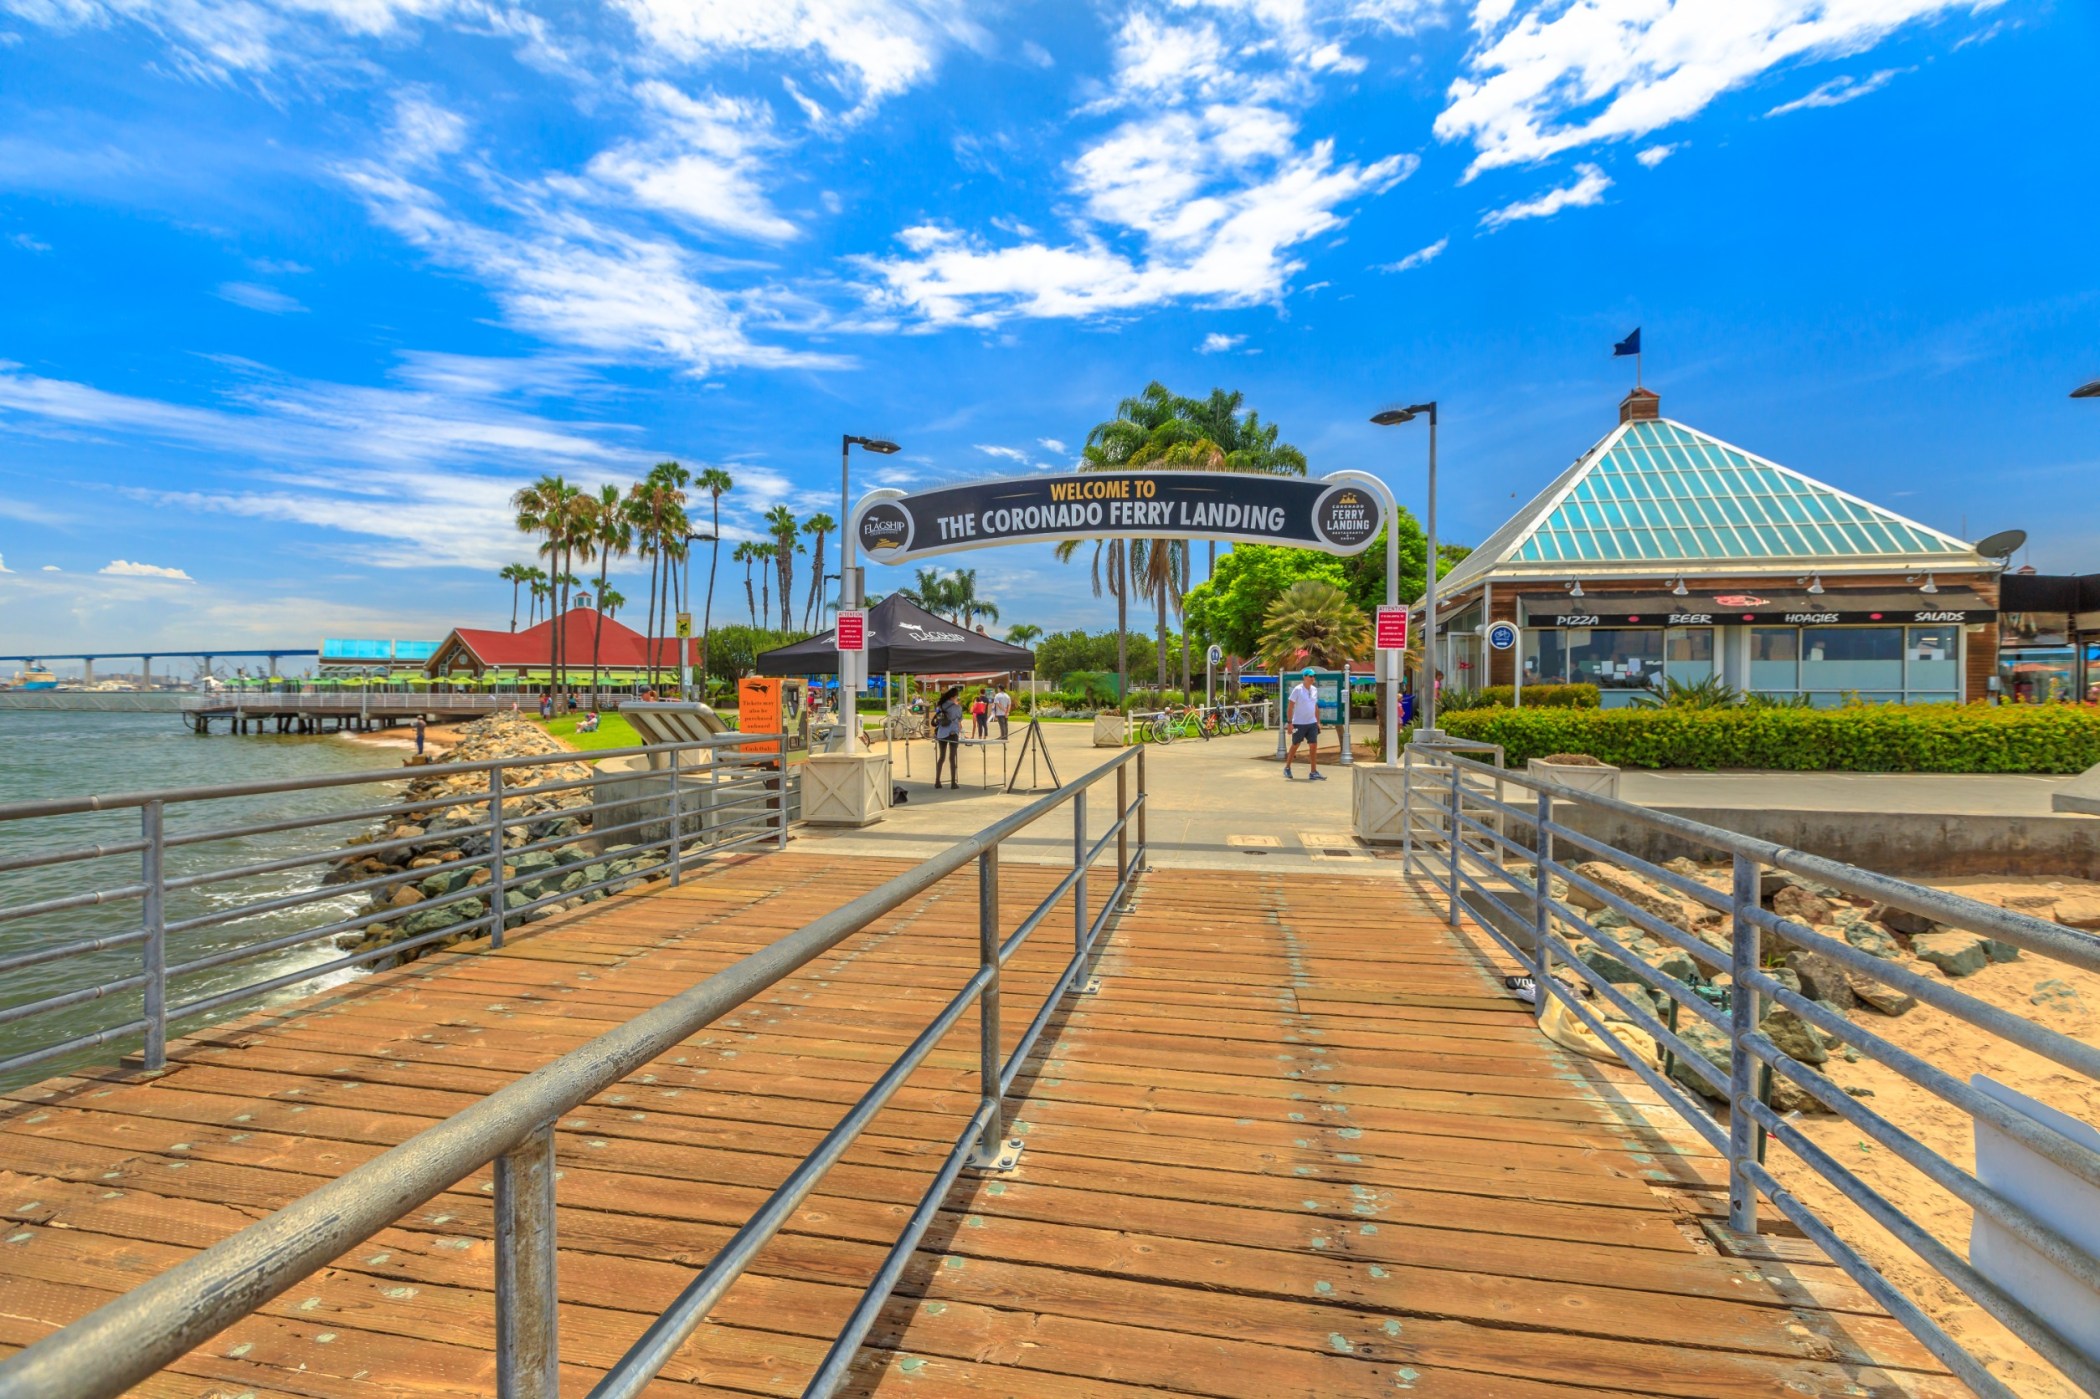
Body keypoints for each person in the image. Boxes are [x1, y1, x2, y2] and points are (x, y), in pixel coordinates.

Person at [1284, 667, 1324, 781]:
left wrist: (1318, 722)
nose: (1312, 678)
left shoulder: (1315, 690)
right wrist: (1290, 723)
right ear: (1305, 677)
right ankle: (1287, 767)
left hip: (1311, 722)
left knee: (1313, 745)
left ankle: (1313, 771)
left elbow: (1315, 707)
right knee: (1295, 744)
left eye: (1313, 676)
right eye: (1310, 676)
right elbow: (1290, 706)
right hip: (1299, 723)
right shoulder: (1297, 689)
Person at [932, 686, 963, 789]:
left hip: (941, 733)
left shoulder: (940, 706)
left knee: (941, 757)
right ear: (954, 697)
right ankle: (953, 783)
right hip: (953, 733)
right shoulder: (957, 707)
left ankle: (937, 781)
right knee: (952, 758)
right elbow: (960, 719)